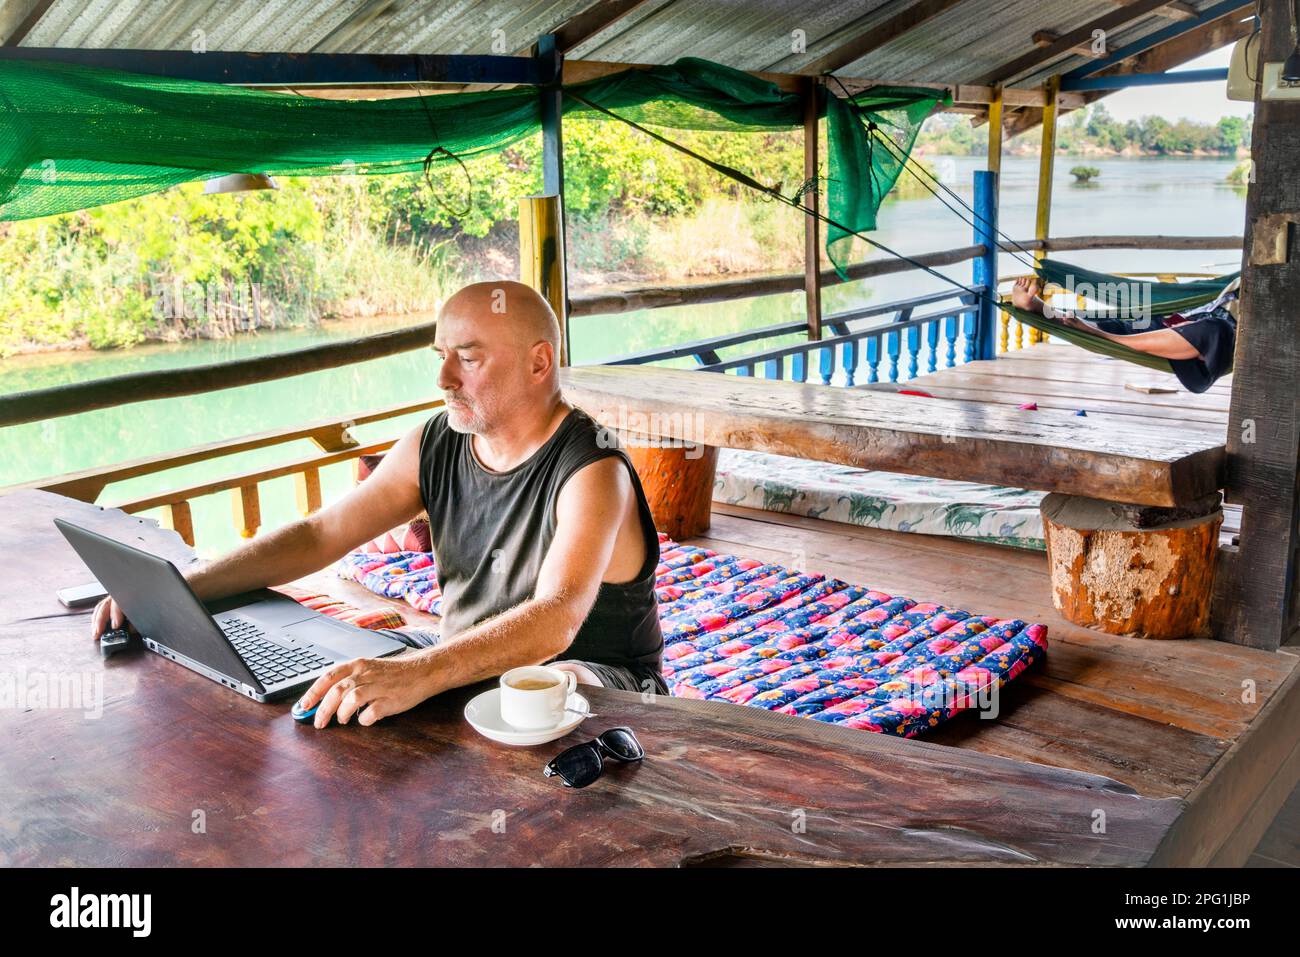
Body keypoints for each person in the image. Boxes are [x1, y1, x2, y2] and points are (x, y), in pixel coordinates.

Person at [92, 281, 668, 727]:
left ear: (539, 363)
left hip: (599, 679)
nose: (444, 377)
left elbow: (555, 621)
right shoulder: (435, 441)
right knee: (330, 683)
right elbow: (321, 535)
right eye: (440, 355)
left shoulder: (592, 468)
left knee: (527, 690)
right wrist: (184, 587)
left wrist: (421, 672)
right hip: (462, 657)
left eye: (467, 358)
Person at [1010, 274, 1239, 393]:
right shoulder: (1235, 283)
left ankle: (1107, 338)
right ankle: (1040, 308)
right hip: (1167, 326)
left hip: (1208, 353)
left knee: (1216, 330)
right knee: (1116, 321)